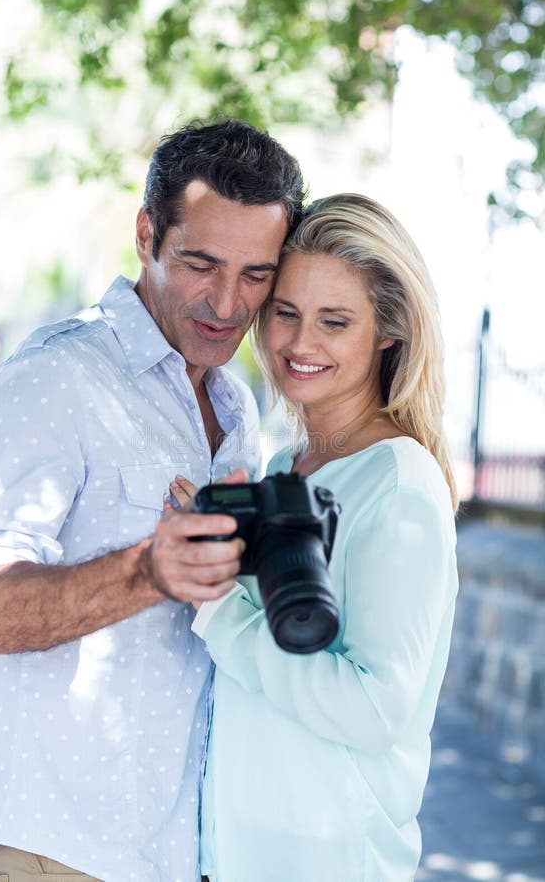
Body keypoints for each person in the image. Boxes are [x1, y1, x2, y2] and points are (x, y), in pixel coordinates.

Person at [0, 118, 304, 882]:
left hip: (177, 852)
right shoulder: (54, 380)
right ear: (147, 234)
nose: (226, 303)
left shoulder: (238, 411)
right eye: (200, 264)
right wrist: (150, 570)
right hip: (59, 851)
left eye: (255, 275)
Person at [172, 193, 459, 881]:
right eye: (287, 315)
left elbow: (373, 709)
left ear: (387, 331)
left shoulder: (399, 484)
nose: (300, 345)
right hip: (242, 857)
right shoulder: (282, 469)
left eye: (335, 322)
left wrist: (215, 608)